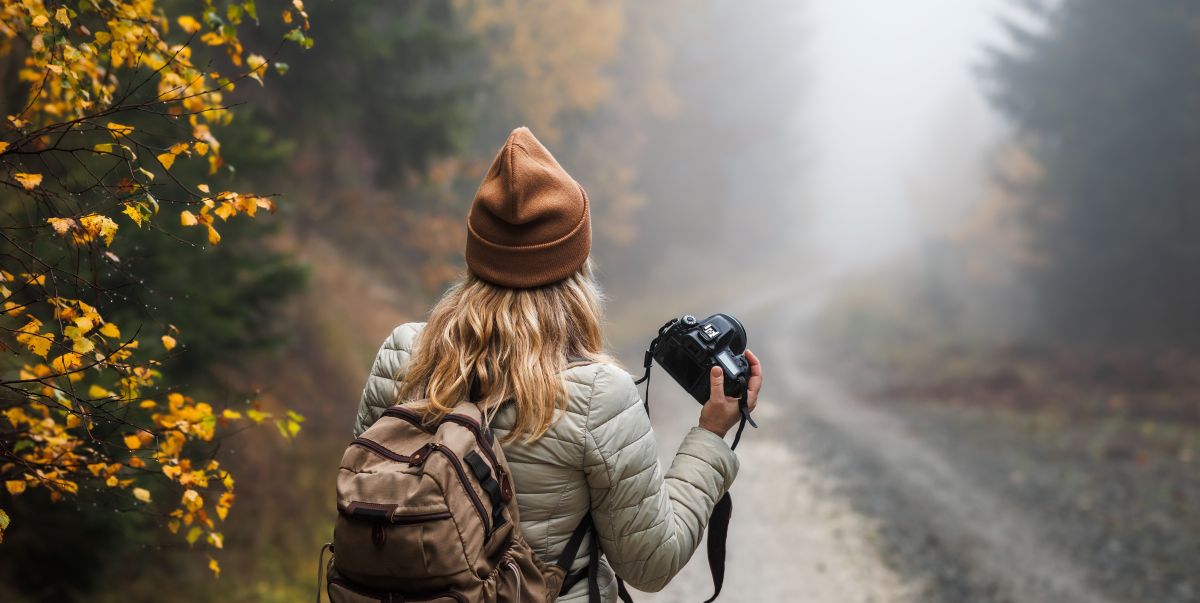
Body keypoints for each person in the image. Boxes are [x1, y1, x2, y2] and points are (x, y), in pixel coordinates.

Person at [352, 126, 763, 602]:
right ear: (576, 268)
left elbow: (359, 491)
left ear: (476, 256)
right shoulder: (595, 395)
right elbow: (650, 563)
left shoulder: (404, 354)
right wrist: (711, 436)